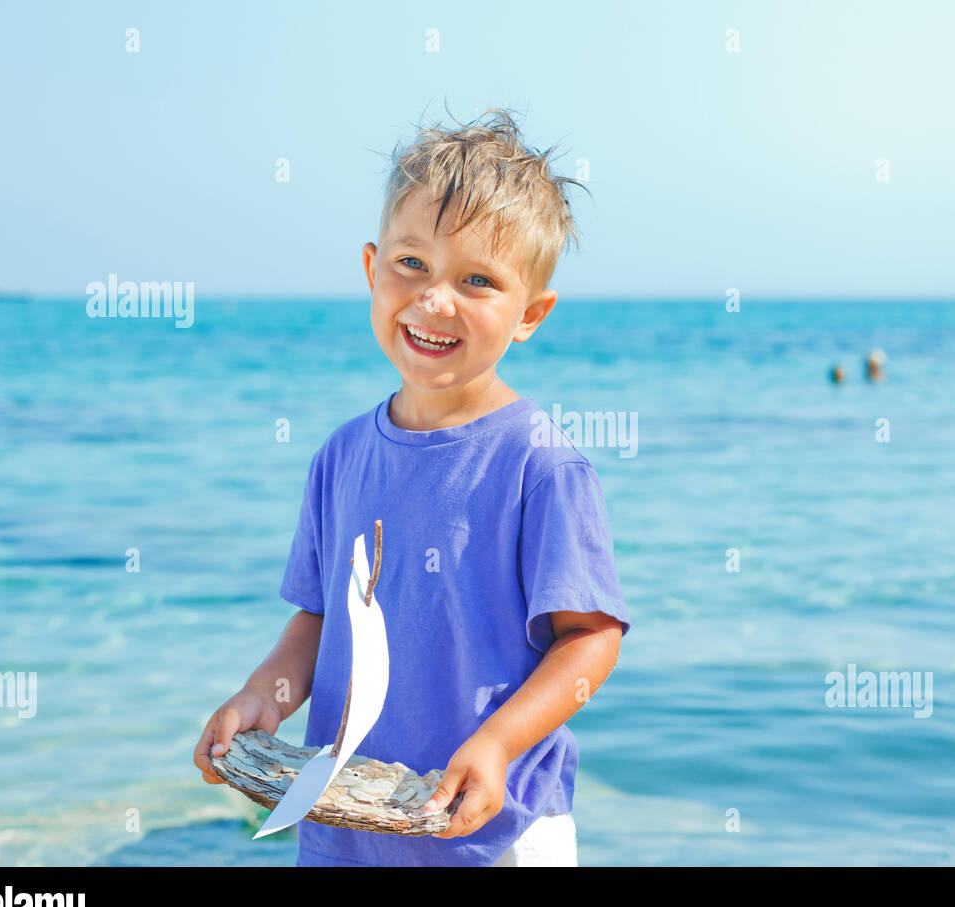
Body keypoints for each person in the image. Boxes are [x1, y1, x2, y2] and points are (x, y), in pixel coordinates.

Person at [193, 108, 631, 866]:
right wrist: (266, 697)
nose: (435, 300)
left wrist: (497, 743)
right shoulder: (340, 457)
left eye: (477, 280)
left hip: (492, 831)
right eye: (412, 264)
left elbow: (590, 640)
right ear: (372, 268)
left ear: (529, 313)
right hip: (344, 825)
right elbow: (316, 621)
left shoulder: (540, 465)